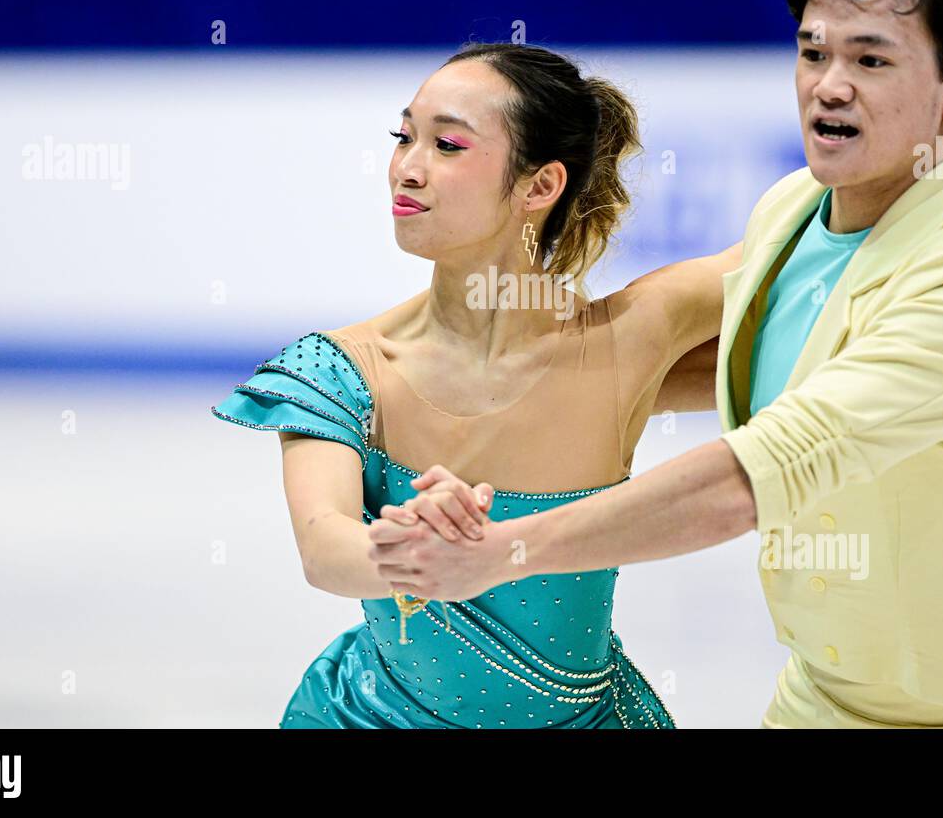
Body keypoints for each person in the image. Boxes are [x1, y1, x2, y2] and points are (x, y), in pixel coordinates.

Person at [369, 0, 943, 729]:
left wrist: (503, 554)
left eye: (871, 60)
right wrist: (434, 389)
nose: (829, 85)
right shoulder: (797, 208)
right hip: (812, 702)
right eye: (812, 51)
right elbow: (646, 359)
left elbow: (751, 479)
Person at [212, 41, 740, 727]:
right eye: (403, 138)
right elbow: (324, 547)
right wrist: (404, 551)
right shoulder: (343, 371)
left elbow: (810, 240)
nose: (407, 168)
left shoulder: (631, 341)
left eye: (447, 146)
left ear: (540, 186)